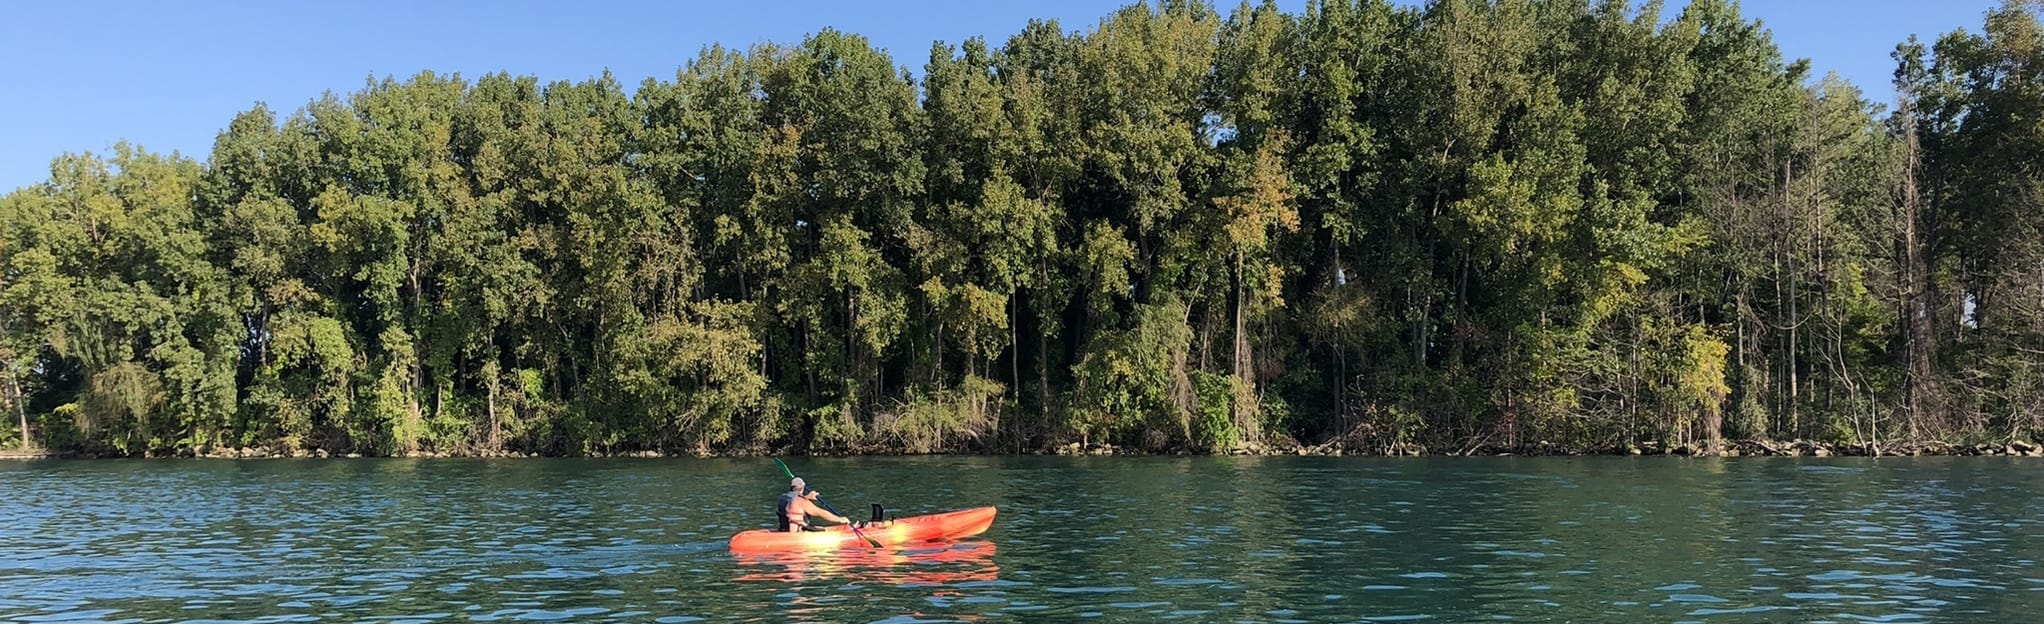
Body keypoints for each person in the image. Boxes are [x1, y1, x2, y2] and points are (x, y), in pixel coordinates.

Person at [777, 476, 856, 532]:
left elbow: (793, 503)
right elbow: (821, 513)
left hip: (784, 531)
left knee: (818, 527)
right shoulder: (801, 501)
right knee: (818, 529)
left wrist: (806, 498)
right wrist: (840, 520)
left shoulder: (782, 498)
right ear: (802, 488)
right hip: (799, 534)